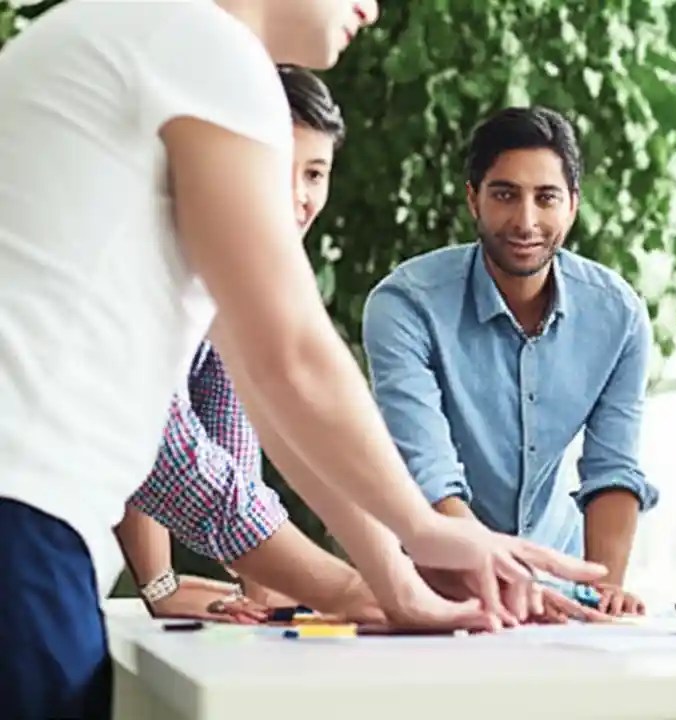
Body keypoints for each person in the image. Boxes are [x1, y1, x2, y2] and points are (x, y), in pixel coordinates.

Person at [0, 2, 599, 717]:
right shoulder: (207, 48)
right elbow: (291, 355)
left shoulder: (139, 32)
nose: (372, 7)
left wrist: (392, 575)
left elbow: (263, 375)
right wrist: (423, 530)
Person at [363, 106, 657, 616]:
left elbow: (612, 468)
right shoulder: (406, 305)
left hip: (558, 589)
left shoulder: (619, 315)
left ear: (572, 206)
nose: (525, 221)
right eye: (504, 195)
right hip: (430, 587)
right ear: (472, 197)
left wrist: (602, 589)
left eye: (546, 198)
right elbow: (428, 471)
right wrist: (495, 575)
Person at [115, 64, 380, 624]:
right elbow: (159, 444)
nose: (299, 198)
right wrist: (348, 588)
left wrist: (258, 584)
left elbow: (223, 417)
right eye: (278, 169)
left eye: (315, 173)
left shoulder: (238, 268)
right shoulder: (150, 247)